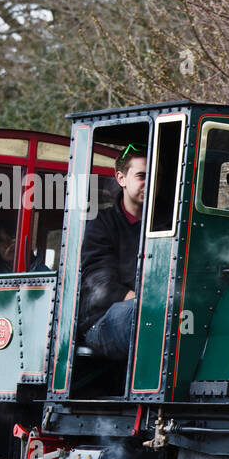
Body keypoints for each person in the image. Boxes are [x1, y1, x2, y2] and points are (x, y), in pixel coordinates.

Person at [79, 144, 146, 360]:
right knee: (140, 315)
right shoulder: (100, 224)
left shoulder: (167, 223)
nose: (149, 182)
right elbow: (99, 281)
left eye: (154, 176)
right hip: (101, 321)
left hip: (148, 311)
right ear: (121, 178)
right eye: (142, 176)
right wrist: (143, 302)